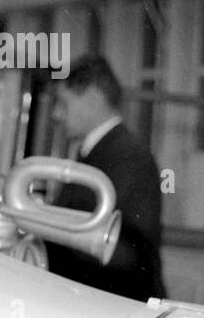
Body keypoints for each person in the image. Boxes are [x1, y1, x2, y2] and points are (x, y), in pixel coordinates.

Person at [45, 53, 166, 301]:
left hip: (116, 304)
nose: (56, 114)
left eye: (64, 103)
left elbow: (107, 245)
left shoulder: (126, 156)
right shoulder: (102, 151)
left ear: (92, 100)